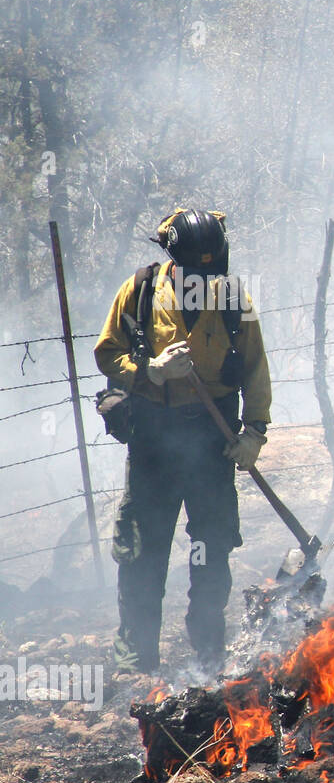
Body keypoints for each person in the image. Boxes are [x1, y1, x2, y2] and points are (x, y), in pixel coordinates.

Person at [94, 208, 271, 675]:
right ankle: (136, 661)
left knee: (211, 549)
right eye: (197, 272)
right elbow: (107, 352)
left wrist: (254, 434)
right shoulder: (141, 291)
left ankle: (209, 656)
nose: (205, 280)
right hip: (154, 441)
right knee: (141, 552)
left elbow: (256, 371)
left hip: (212, 442)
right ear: (176, 261)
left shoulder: (234, 299)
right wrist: (149, 371)